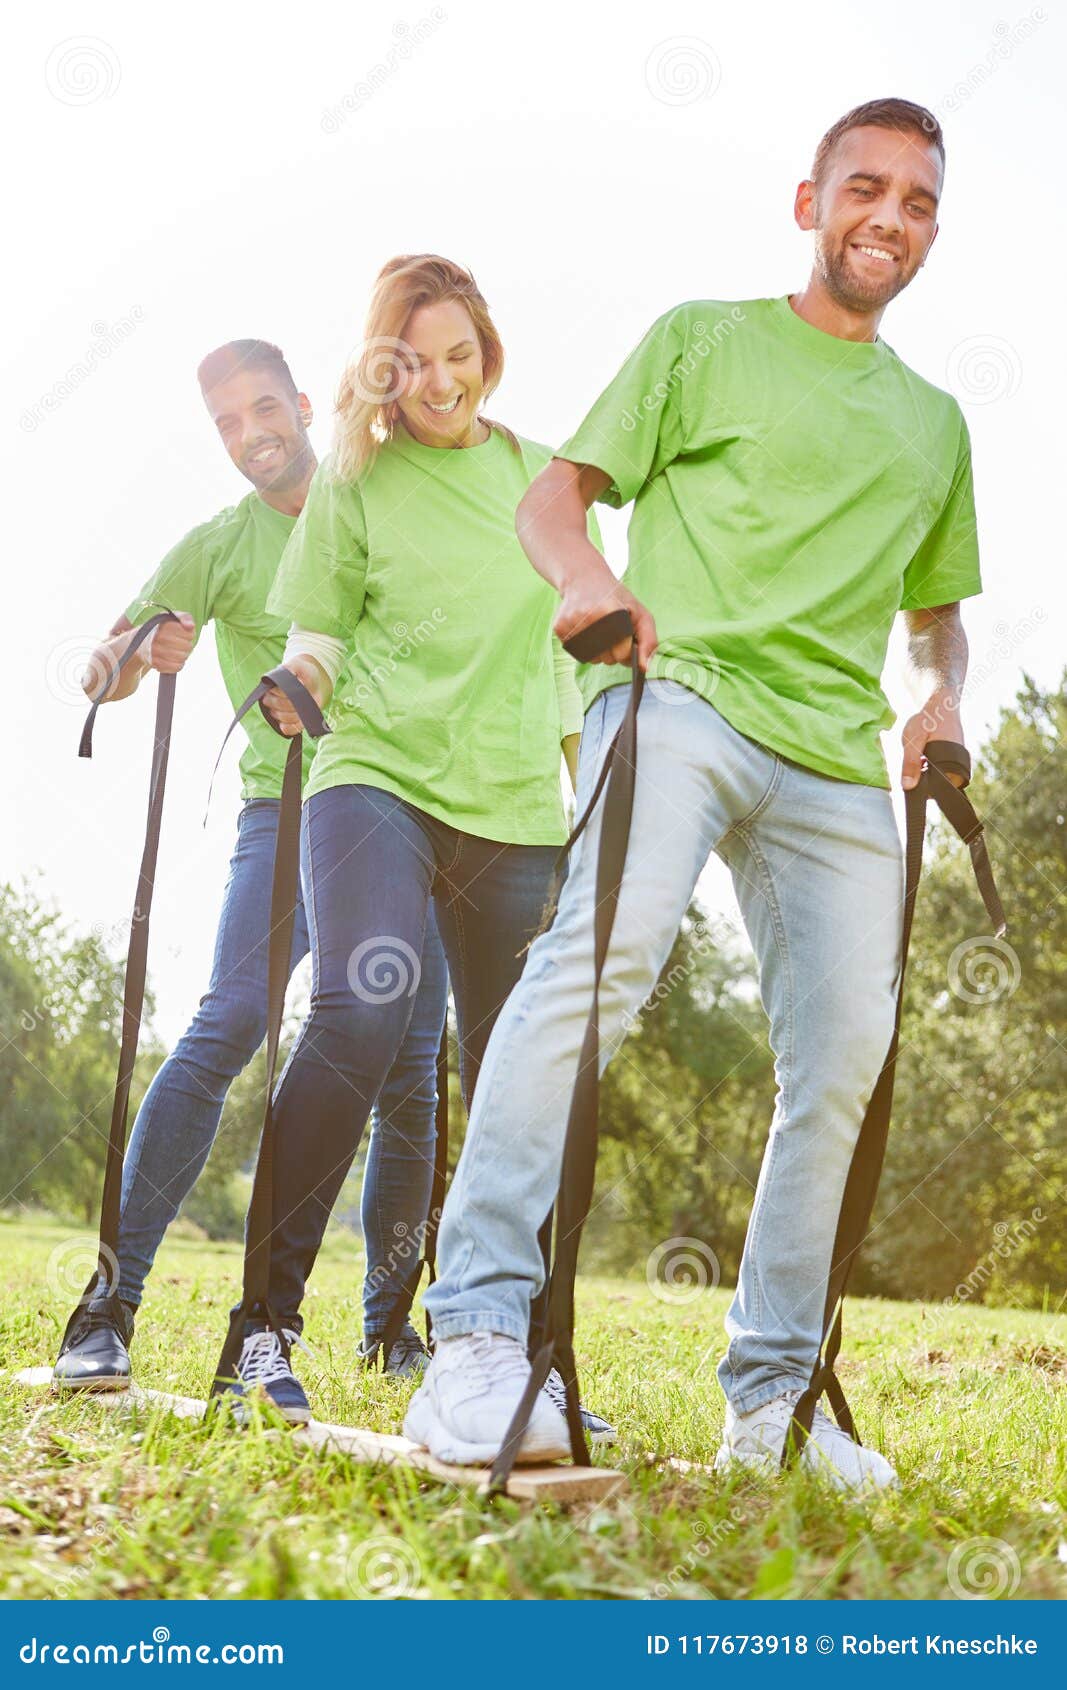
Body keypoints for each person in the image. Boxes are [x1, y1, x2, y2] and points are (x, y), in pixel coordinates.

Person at [407, 98, 982, 1488]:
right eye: (863, 190)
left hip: (834, 754)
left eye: (914, 203)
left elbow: (934, 612)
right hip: (673, 694)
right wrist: (589, 579)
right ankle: (475, 1338)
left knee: (841, 1054)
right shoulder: (699, 339)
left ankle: (773, 1399)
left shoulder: (931, 421)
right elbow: (556, 501)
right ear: (806, 202)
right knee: (594, 971)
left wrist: (944, 692)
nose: (886, 221)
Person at [215, 255, 614, 1453]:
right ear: (382, 367)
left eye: (460, 355)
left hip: (508, 799)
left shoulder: (542, 483)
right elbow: (322, 625)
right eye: (415, 360)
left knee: (526, 1066)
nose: (441, 381)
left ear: (487, 349)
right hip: (373, 770)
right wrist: (301, 679)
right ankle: (261, 1331)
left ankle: (523, 1352)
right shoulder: (355, 476)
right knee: (360, 1009)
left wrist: (586, 780)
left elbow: (566, 658)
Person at [53, 340, 448, 1411]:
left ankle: (389, 1328)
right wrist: (132, 659)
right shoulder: (218, 545)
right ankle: (107, 1306)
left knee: (413, 1069)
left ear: (306, 405)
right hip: (284, 817)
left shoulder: (375, 503)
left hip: (404, 814)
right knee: (228, 1021)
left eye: (262, 408)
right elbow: (110, 660)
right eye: (226, 423)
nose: (248, 434)